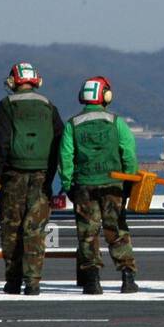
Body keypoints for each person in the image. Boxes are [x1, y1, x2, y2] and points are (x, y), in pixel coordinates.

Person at [59, 76, 139, 295]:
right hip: (113, 186)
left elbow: (66, 158)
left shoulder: (72, 124)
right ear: (106, 96)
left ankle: (92, 280)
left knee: (88, 234)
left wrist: (69, 185)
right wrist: (129, 181)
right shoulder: (116, 122)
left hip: (84, 186)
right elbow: (129, 154)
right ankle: (127, 277)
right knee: (117, 230)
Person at [0, 62, 64, 295]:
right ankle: (33, 282)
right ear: (36, 81)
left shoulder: (5, 105)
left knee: (11, 229)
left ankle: (13, 281)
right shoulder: (49, 106)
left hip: (12, 176)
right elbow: (60, 142)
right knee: (35, 230)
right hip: (42, 176)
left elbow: (0, 143)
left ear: (13, 82)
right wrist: (51, 176)